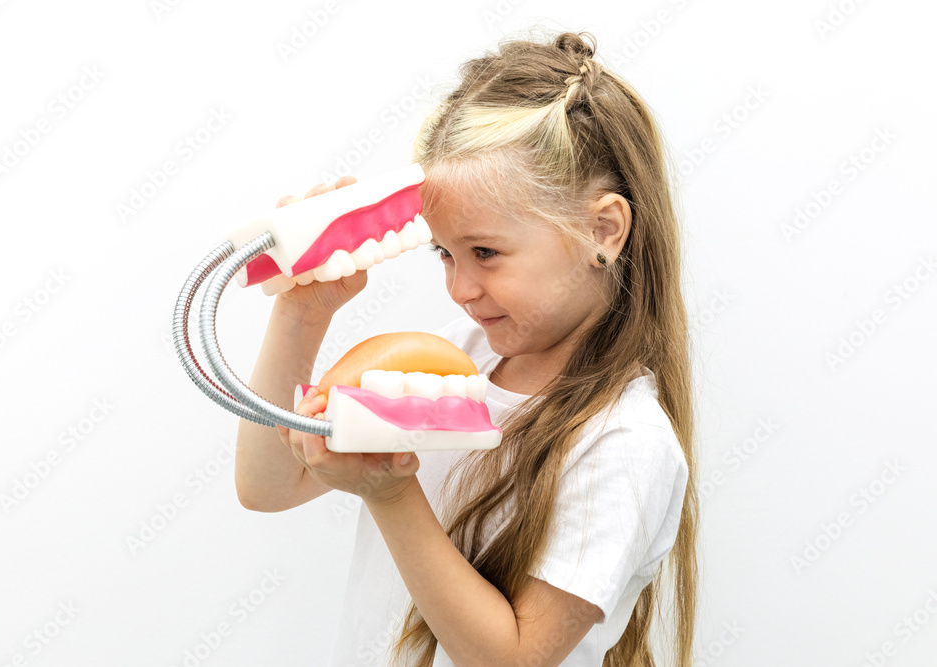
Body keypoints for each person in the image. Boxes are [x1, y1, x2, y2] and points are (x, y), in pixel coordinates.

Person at [234, 28, 698, 667]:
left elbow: (511, 658)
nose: (459, 287)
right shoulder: (453, 362)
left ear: (603, 229)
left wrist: (391, 494)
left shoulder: (622, 441)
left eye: (486, 252)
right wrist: (301, 313)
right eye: (445, 254)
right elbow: (269, 485)